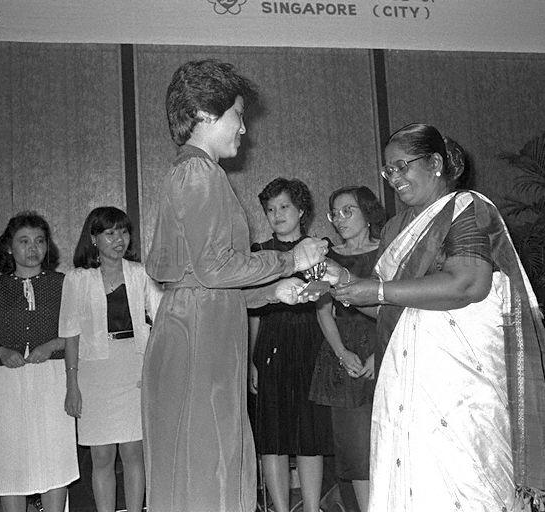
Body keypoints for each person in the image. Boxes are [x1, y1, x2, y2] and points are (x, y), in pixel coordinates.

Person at [330, 123, 545, 511]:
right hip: (404, 378)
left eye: (402, 166)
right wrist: (342, 284)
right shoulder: (395, 228)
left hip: (461, 379)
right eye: (388, 170)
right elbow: (387, 307)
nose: (394, 178)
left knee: (465, 477)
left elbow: (469, 283)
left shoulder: (466, 207)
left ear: (435, 163)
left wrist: (376, 290)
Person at [142, 59, 328, 512]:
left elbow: (205, 277)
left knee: (202, 461)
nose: (244, 128)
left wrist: (272, 291)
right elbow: (214, 268)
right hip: (199, 338)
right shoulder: (200, 172)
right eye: (238, 115)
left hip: (200, 324)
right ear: (206, 113)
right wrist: (291, 259)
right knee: (208, 466)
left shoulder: (192, 171)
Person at [0, 212, 78, 512]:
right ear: (8, 247)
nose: (33, 248)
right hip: (7, 382)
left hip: (53, 377)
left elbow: (78, 331)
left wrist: (52, 345)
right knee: (9, 462)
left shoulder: (63, 283)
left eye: (39, 241)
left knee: (55, 458)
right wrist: (0, 351)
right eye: (24, 241)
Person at [60, 206, 162, 512]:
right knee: (101, 456)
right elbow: (70, 335)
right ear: (93, 238)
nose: (119, 239)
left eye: (124, 231)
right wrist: (72, 385)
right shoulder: (76, 279)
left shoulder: (141, 273)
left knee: (134, 452)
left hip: (135, 367)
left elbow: (162, 317)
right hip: (94, 372)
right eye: (110, 233)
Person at [247, 178, 333, 512]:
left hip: (311, 342)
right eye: (270, 209)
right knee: (273, 435)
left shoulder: (318, 249)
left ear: (300, 210)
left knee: (309, 432)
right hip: (271, 345)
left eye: (284, 207)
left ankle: (311, 508)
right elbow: (254, 311)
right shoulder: (259, 253)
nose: (277, 214)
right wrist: (253, 359)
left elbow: (327, 305)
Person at [308, 185, 385, 512]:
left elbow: (398, 307)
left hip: (386, 345)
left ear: (367, 213)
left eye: (347, 211)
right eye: (334, 214)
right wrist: (342, 353)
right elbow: (323, 311)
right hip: (344, 354)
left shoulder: (388, 250)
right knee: (356, 449)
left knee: (389, 441)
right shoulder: (327, 258)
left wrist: (380, 353)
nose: (339, 219)